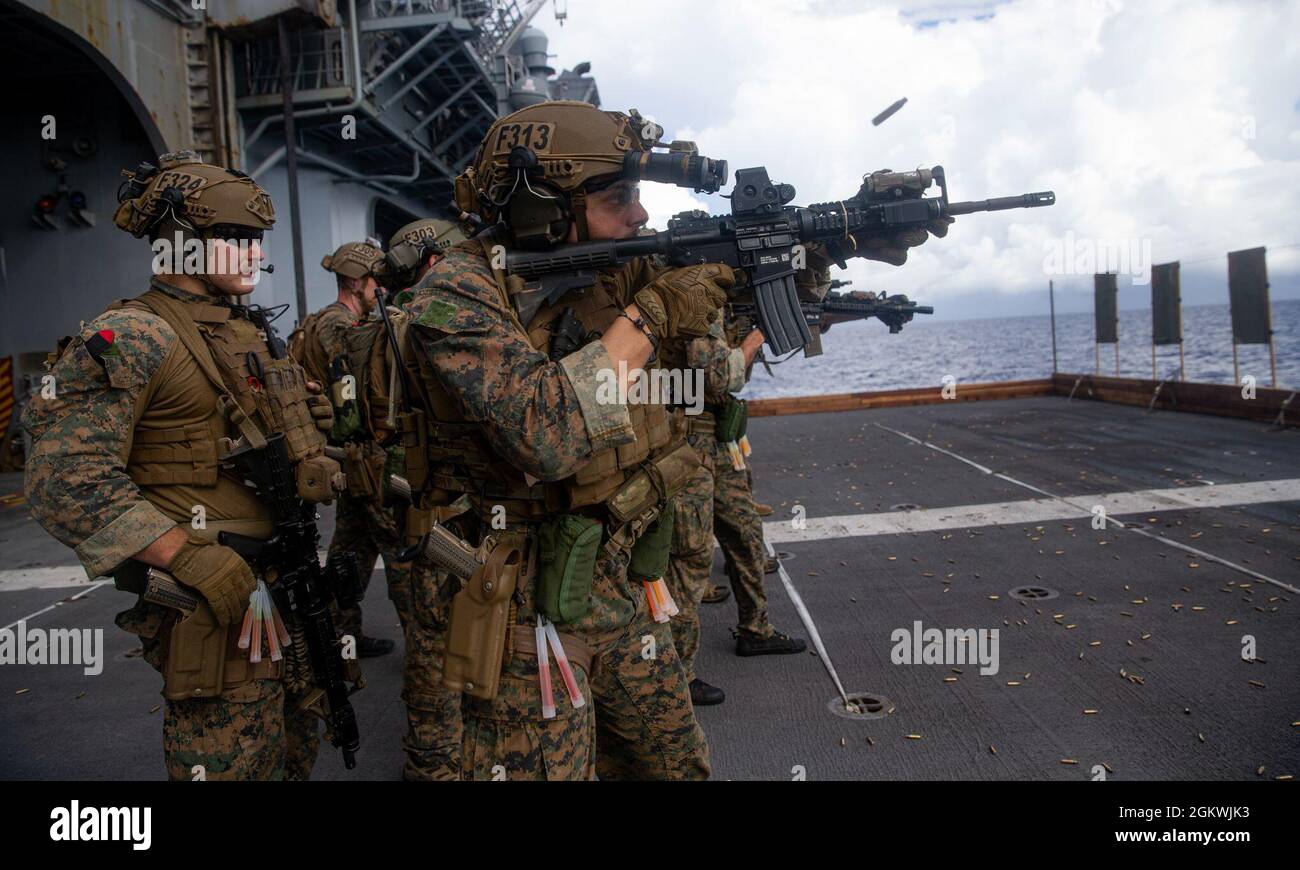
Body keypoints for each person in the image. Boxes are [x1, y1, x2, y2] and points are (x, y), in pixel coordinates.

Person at [398, 101, 729, 780]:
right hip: (517, 595)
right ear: (538, 207)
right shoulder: (454, 294)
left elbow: (711, 373)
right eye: (618, 197)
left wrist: (809, 250)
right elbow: (545, 434)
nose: (638, 216)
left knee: (677, 764)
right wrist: (654, 313)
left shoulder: (609, 270)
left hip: (609, 573)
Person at [21, 150, 346, 780]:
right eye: (237, 239)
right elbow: (66, 479)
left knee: (291, 754)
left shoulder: (245, 329)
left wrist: (309, 430)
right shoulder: (134, 336)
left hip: (284, 582)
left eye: (258, 240)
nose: (255, 254)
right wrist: (183, 555)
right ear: (183, 244)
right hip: (209, 598)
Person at [291, 241, 400, 658]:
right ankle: (427, 640)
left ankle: (341, 637)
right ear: (356, 282)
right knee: (402, 552)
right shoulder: (341, 329)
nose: (380, 290)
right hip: (364, 457)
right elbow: (350, 398)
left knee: (350, 550)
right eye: (375, 281)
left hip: (347, 456)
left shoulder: (319, 320)